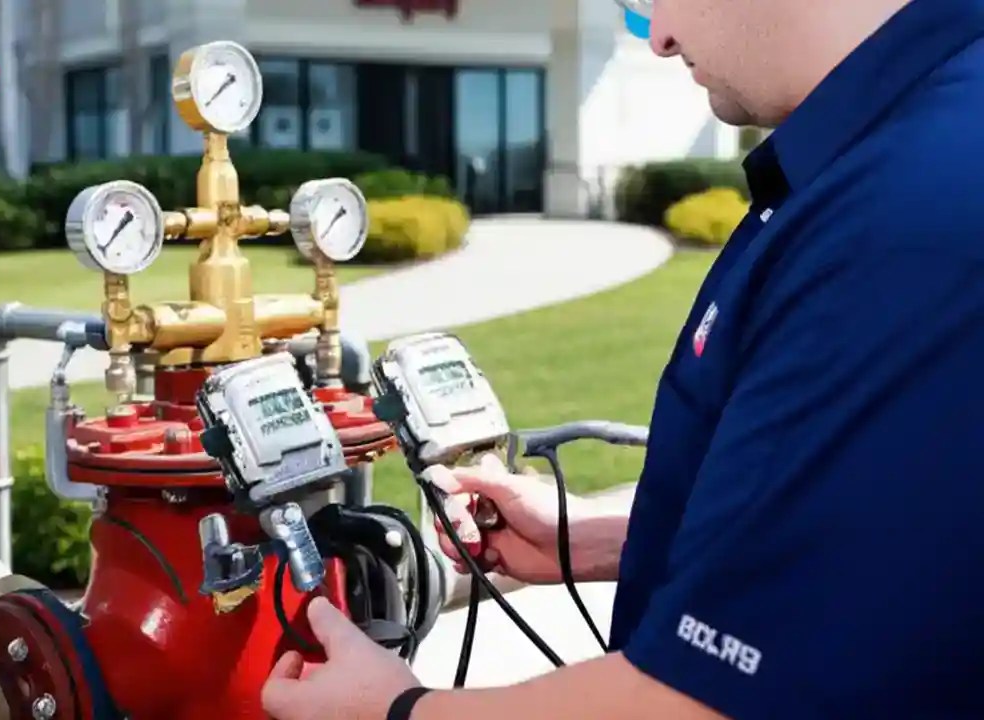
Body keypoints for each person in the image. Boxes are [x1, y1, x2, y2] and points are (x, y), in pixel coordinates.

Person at [261, 0, 984, 717]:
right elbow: (880, 538)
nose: (659, 38)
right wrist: (608, 542)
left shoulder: (908, 208)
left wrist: (394, 709)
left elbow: (701, 705)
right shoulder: (913, 141)